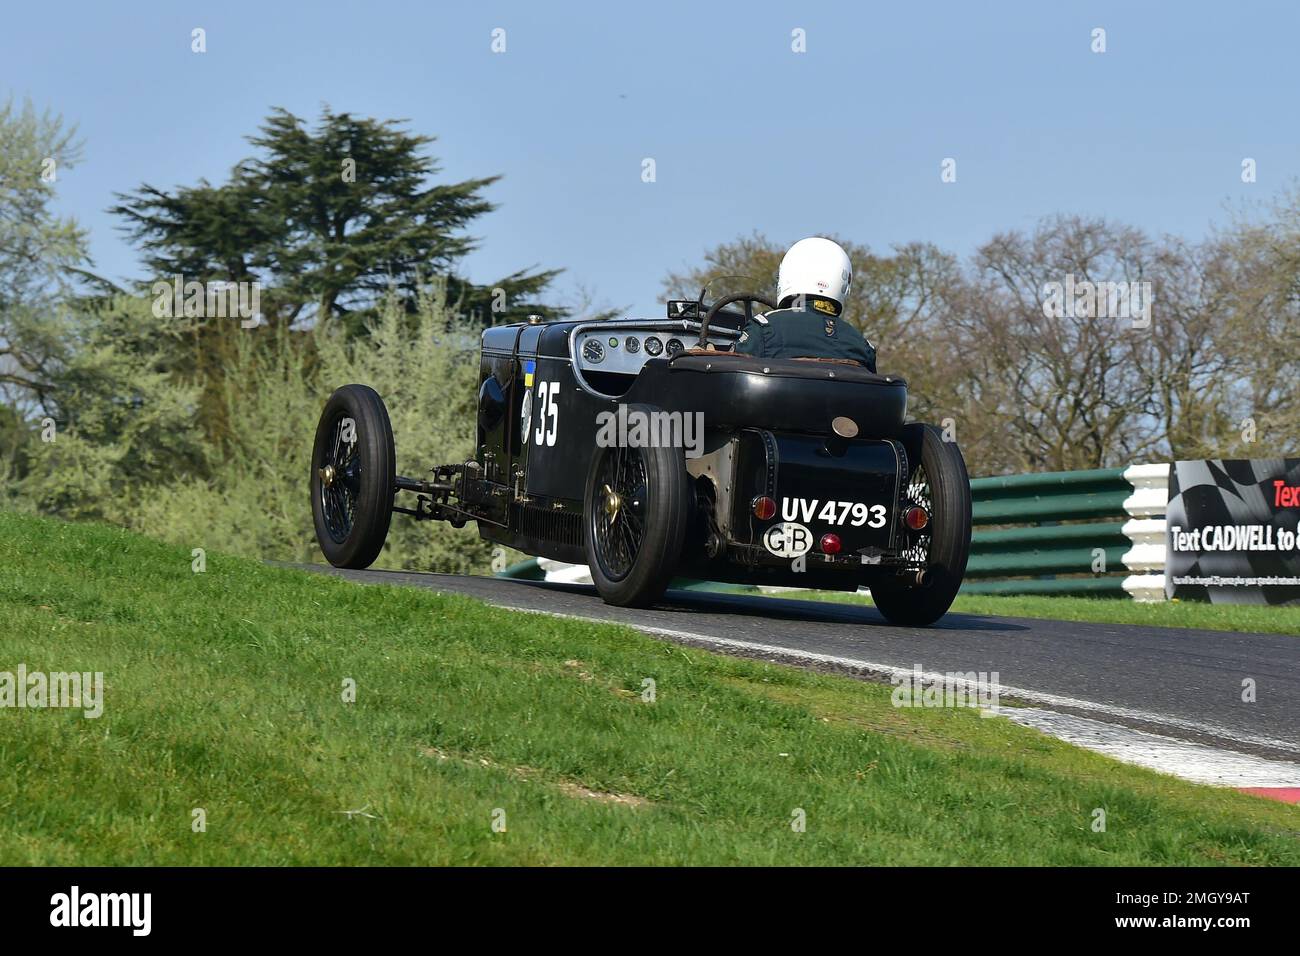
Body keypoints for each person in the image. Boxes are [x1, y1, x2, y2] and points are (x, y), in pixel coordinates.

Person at [735, 237, 876, 371]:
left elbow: (734, 380)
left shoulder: (763, 328)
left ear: (787, 276)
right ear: (844, 284)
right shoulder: (863, 347)